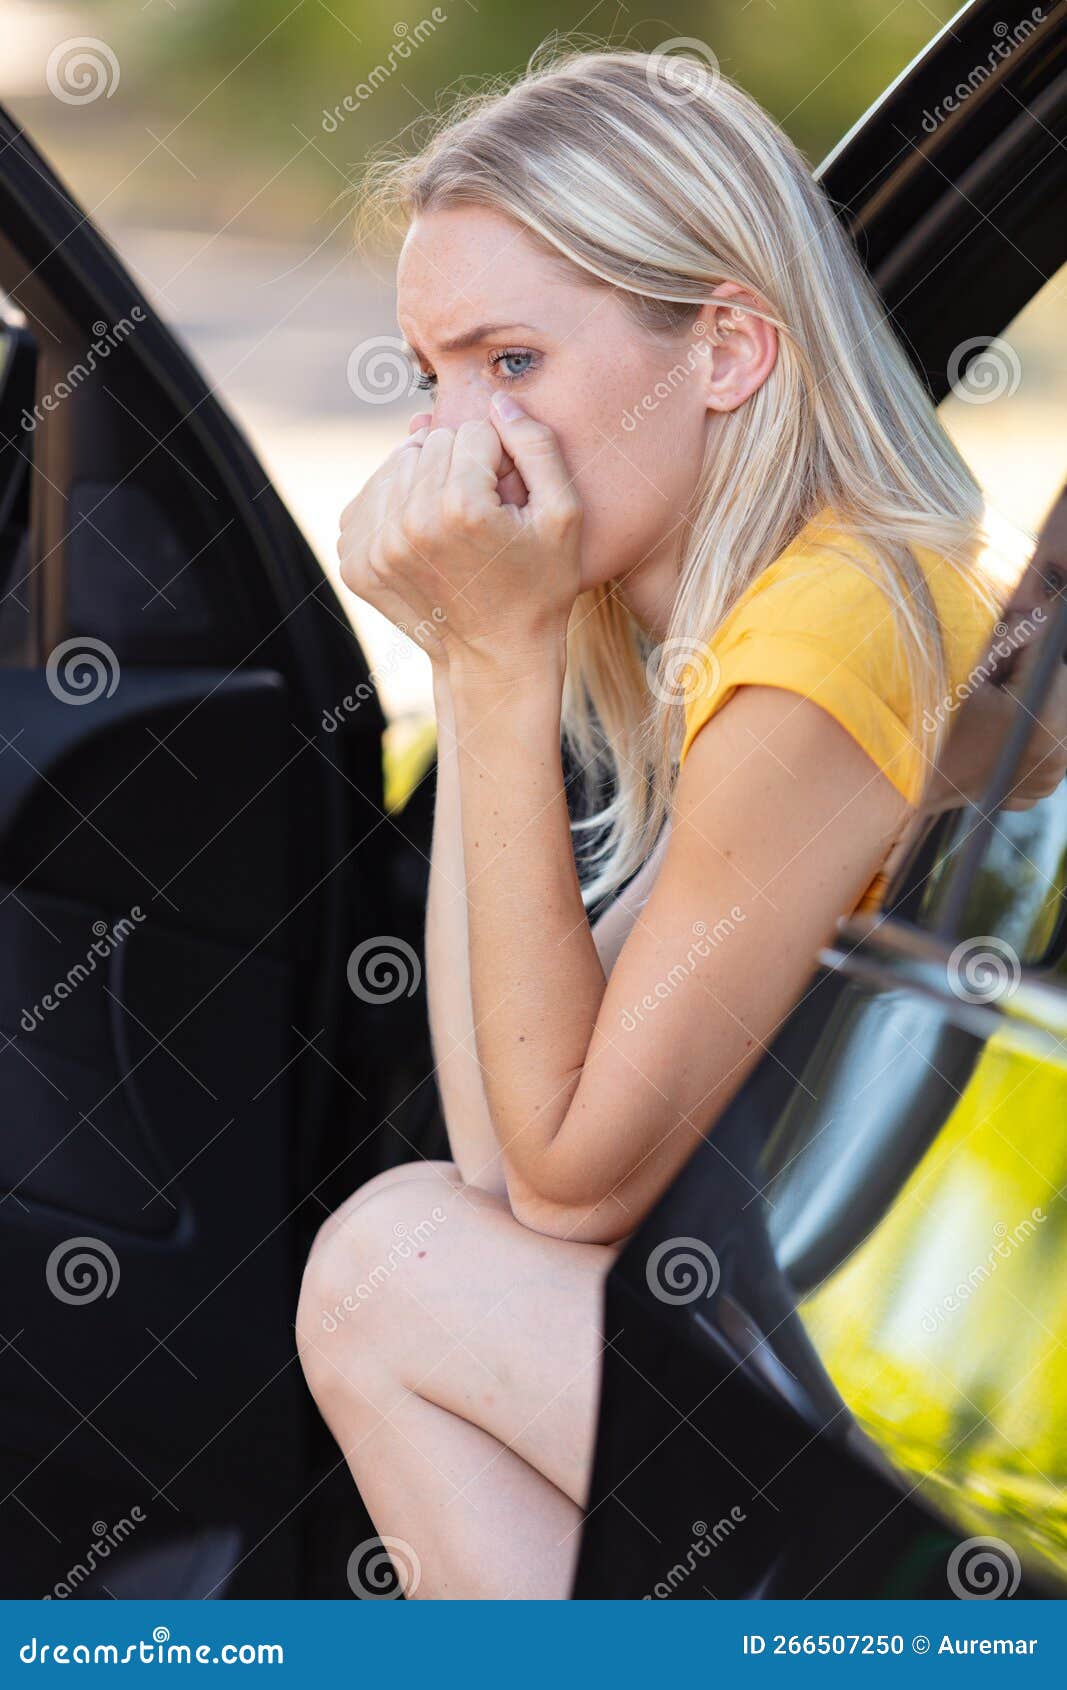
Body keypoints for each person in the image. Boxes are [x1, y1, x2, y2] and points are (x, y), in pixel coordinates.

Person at [296, 48, 1062, 1599]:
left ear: (723, 351)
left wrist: (498, 668)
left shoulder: (829, 630)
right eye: (430, 376)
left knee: (389, 1264)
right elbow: (513, 1165)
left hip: (921, 1506)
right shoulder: (765, 620)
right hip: (835, 1411)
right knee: (405, 1244)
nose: (458, 440)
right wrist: (470, 651)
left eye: (510, 361)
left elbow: (572, 1186)